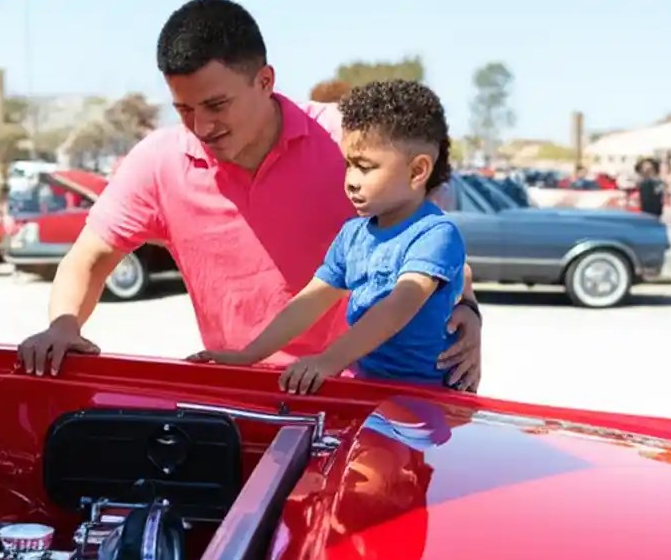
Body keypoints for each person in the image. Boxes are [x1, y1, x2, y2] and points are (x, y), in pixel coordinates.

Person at [14, 0, 484, 391]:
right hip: (239, 392)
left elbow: (425, 236)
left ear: (265, 81)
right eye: (183, 108)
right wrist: (64, 326)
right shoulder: (156, 162)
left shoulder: (353, 141)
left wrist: (466, 308)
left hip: (360, 395)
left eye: (217, 105)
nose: (201, 126)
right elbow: (88, 258)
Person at [186, 80, 466, 395]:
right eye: (348, 165)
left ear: (417, 171)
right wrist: (248, 355)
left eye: (365, 167)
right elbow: (310, 300)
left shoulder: (435, 234)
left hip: (428, 401)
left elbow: (397, 306)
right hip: (370, 393)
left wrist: (328, 361)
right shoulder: (353, 235)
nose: (351, 181)